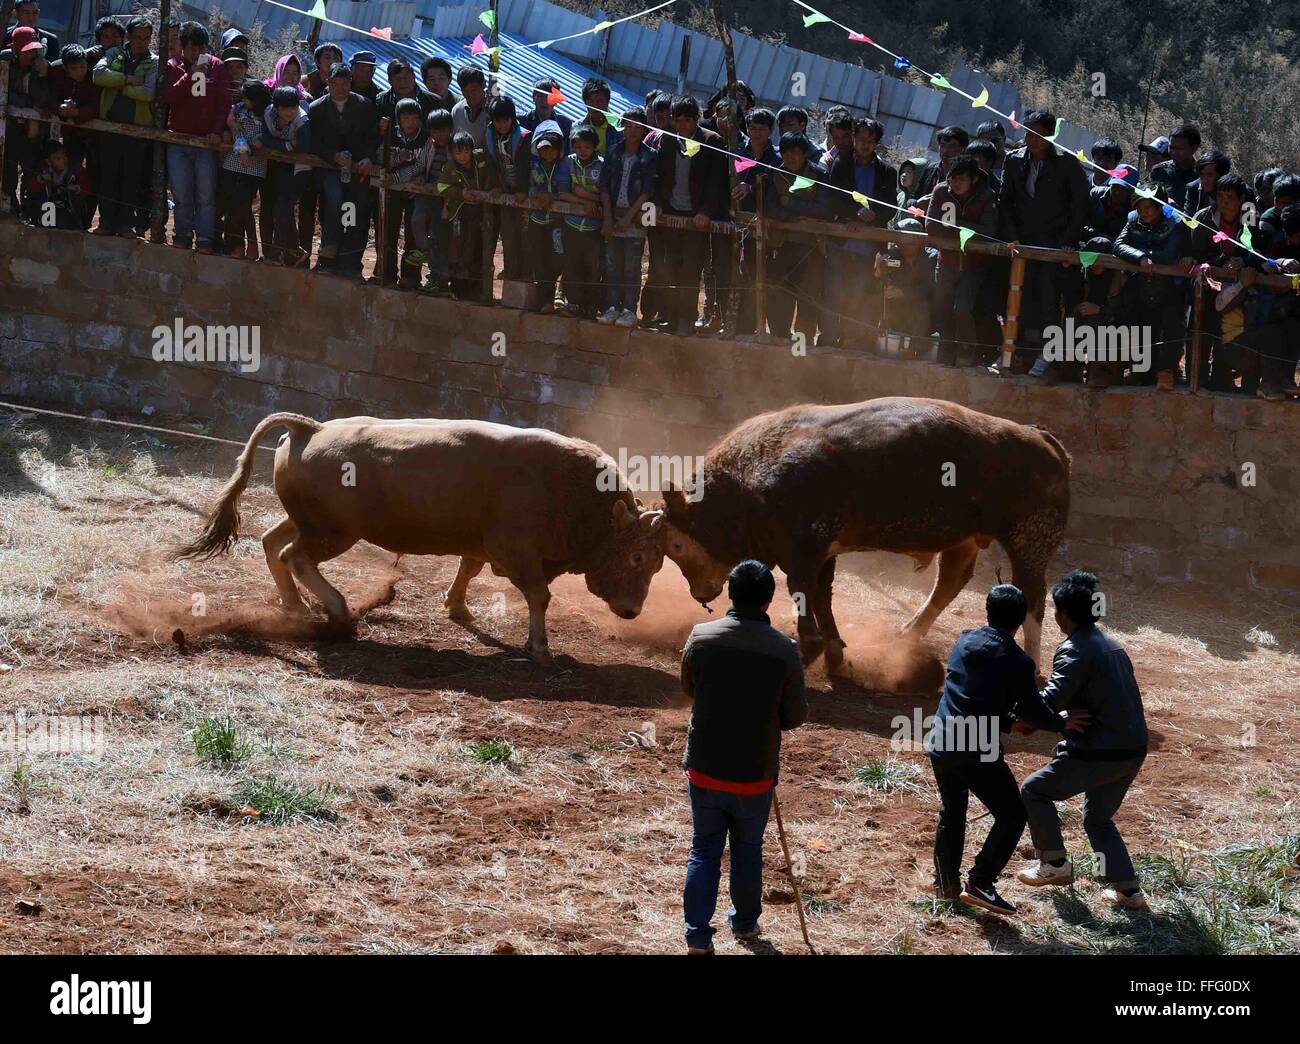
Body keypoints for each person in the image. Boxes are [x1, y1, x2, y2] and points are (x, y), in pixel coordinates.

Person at [680, 560, 807, 954]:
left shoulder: (701, 636)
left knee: (704, 848)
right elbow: (795, 715)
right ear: (769, 598)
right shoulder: (785, 650)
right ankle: (746, 924)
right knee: (748, 850)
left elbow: (691, 689)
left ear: (729, 593)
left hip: (705, 768)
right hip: (755, 774)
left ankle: (698, 936)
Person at [927, 584, 1073, 914]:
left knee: (953, 812)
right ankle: (981, 880)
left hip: (941, 739)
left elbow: (971, 696)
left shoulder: (964, 640)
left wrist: (1008, 723)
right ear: (1022, 619)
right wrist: (1062, 724)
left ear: (987, 612)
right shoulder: (1018, 661)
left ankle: (945, 885)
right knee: (1013, 813)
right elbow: (1035, 712)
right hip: (975, 748)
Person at [1016, 570, 1151, 912]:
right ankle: (1129, 893)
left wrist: (1023, 713)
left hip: (1099, 752)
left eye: (1057, 612)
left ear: (1064, 614)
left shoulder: (1075, 649)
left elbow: (1050, 700)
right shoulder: (1111, 644)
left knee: (1035, 790)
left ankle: (1055, 865)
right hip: (1132, 751)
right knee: (1097, 820)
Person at [997, 109, 1089, 377]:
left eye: (1038, 133)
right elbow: (1006, 202)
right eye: (1028, 132)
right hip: (1022, 244)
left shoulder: (1068, 164)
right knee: (1019, 301)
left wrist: (1067, 242)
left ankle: (1051, 360)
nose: (1032, 139)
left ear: (1051, 135)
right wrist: (1012, 237)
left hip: (1054, 246)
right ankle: (1019, 355)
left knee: (1049, 303)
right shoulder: (1014, 161)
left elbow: (1080, 206)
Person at [655, 95, 728, 335]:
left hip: (697, 218)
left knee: (691, 270)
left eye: (687, 120)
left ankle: (687, 319)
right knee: (670, 268)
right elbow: (659, 177)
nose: (682, 126)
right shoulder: (666, 140)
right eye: (678, 120)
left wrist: (706, 211)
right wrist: (657, 205)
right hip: (671, 213)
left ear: (696, 119)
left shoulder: (712, 141)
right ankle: (671, 317)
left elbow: (718, 182)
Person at [1112, 184, 1196, 390]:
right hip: (1140, 285)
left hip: (1169, 288)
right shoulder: (1132, 219)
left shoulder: (1176, 222)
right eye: (1140, 207)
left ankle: (1167, 372)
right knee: (1138, 327)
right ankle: (1138, 371)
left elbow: (1170, 255)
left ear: (1160, 207)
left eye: (1149, 207)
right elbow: (1119, 245)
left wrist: (1143, 254)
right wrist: (1139, 257)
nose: (1143, 212)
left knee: (1170, 329)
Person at [829, 117, 897, 349]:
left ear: (876, 142)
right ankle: (837, 338)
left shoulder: (887, 171)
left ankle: (862, 341)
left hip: (871, 246)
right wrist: (854, 214)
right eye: (861, 139)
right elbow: (835, 199)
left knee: (866, 294)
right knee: (840, 293)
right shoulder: (841, 164)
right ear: (854, 139)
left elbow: (889, 206)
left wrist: (871, 216)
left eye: (870, 140)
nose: (865, 144)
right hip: (843, 242)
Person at [163, 22, 230, 253]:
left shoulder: (217, 67)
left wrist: (216, 130)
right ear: (182, 47)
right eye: (192, 49)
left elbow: (224, 104)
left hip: (205, 142)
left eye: (200, 49)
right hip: (179, 141)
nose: (197, 54)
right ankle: (181, 234)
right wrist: (190, 76)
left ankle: (204, 239)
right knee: (181, 193)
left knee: (205, 195)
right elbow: (169, 98)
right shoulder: (172, 67)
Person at [308, 61, 379, 278]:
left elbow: (372, 136)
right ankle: (328, 258)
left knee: (354, 217)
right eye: (335, 83)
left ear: (350, 82)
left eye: (345, 82)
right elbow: (314, 142)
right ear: (328, 82)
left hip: (357, 171)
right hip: (330, 169)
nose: (340, 87)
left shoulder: (364, 105)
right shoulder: (317, 108)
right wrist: (333, 156)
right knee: (334, 204)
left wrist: (368, 157)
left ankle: (351, 265)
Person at [926, 155, 998, 366]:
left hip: (973, 266)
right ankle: (946, 348)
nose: (955, 184)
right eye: (952, 178)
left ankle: (967, 350)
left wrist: (954, 225)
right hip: (945, 261)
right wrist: (964, 229)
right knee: (942, 306)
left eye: (962, 179)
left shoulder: (986, 195)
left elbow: (989, 231)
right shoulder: (940, 191)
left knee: (963, 308)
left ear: (973, 179)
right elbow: (931, 226)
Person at [92, 17, 156, 237]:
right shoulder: (113, 54)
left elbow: (149, 92)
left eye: (146, 38)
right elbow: (98, 75)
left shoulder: (154, 61)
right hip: (109, 128)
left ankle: (125, 225)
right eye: (138, 37)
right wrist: (128, 79)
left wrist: (119, 86)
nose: (142, 42)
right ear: (128, 36)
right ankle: (106, 223)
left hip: (137, 131)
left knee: (131, 179)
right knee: (108, 176)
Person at [764, 132, 831, 342]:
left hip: (812, 249)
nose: (790, 157)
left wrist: (788, 203)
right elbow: (769, 206)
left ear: (804, 153)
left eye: (795, 152)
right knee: (779, 296)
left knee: (808, 300)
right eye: (786, 153)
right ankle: (779, 338)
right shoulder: (775, 173)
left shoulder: (819, 174)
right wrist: (794, 217)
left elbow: (823, 209)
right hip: (782, 246)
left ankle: (803, 348)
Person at [599, 105, 657, 326]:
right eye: (628, 126)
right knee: (612, 264)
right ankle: (612, 307)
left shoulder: (650, 156)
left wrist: (629, 217)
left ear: (643, 130)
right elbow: (604, 186)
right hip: (613, 216)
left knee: (632, 266)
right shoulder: (613, 152)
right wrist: (607, 217)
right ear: (623, 127)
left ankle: (630, 310)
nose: (632, 131)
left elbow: (647, 191)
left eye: (637, 127)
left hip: (635, 220)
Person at [377, 97, 429, 288]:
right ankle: (386, 273)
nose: (411, 122)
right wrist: (398, 158)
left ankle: (411, 277)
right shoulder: (390, 134)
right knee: (388, 232)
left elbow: (421, 165)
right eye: (406, 118)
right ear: (399, 119)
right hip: (392, 193)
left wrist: (398, 177)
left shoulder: (426, 138)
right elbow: (380, 158)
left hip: (415, 193)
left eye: (415, 117)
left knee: (413, 234)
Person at [259, 84, 312, 267]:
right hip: (281, 166)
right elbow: (263, 138)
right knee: (282, 207)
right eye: (284, 108)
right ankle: (295, 251)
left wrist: (280, 146)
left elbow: (303, 149)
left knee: (283, 206)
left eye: (293, 108)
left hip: (300, 168)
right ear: (276, 107)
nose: (289, 112)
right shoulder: (268, 113)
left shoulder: (303, 121)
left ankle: (276, 253)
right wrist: (286, 146)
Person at [219, 79, 271, 260]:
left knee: (243, 204)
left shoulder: (268, 113)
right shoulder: (239, 108)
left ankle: (253, 244)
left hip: (254, 164)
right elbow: (231, 121)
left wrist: (251, 147)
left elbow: (267, 136)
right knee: (231, 204)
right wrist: (233, 129)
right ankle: (234, 245)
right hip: (234, 160)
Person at [438, 129, 493, 300]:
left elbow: (492, 173)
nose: (463, 156)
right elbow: (441, 187)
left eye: (466, 151)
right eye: (458, 152)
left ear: (472, 149)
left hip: (480, 215)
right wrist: (461, 194)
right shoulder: (450, 168)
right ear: (451, 153)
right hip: (458, 216)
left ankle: (476, 289)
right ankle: (457, 288)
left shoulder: (481, 159)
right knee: (458, 251)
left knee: (477, 250)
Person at [1, 25, 50, 216]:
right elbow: (3, 94)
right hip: (9, 127)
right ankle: (9, 207)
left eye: (33, 50)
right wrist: (25, 102)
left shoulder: (41, 67)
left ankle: (32, 211)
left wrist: (43, 75)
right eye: (26, 51)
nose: (31, 55)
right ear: (15, 50)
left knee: (32, 170)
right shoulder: (5, 62)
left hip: (32, 131)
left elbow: (43, 100)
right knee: (8, 170)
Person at [521, 120, 568, 312]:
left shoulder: (565, 165)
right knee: (539, 260)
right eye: (543, 148)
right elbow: (527, 185)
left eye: (552, 149)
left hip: (558, 223)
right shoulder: (532, 164)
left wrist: (554, 196)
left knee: (557, 258)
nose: (547, 152)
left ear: (559, 149)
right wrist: (535, 194)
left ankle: (558, 294)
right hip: (536, 222)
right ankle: (544, 302)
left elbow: (566, 187)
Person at [558, 124, 604, 318]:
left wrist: (584, 194)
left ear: (594, 147)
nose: (582, 151)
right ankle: (574, 303)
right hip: (571, 224)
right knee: (572, 265)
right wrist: (583, 200)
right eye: (578, 146)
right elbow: (562, 192)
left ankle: (592, 305)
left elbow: (605, 196)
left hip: (594, 228)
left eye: (586, 146)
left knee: (593, 267)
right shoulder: (568, 162)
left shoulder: (603, 165)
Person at [482, 95, 529, 283]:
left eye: (506, 120)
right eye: (498, 121)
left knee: (525, 235)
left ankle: (526, 273)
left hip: (523, 194)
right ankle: (511, 269)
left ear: (513, 118)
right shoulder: (489, 135)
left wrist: (523, 190)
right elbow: (491, 163)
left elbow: (526, 167)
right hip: (504, 191)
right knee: (507, 232)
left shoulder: (524, 137)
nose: (502, 125)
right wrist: (494, 186)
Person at [410, 108, 454, 295]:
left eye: (443, 130)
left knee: (439, 238)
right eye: (435, 131)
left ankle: (440, 282)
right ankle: (424, 250)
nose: (439, 135)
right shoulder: (430, 144)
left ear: (450, 130)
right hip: (427, 194)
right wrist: (419, 177)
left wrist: (440, 185)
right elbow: (420, 165)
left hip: (445, 200)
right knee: (417, 220)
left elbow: (454, 172)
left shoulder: (455, 147)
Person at [23, 137, 90, 229]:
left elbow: (87, 190)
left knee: (65, 219)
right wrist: (41, 179)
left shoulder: (76, 170)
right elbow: (31, 187)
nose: (63, 160)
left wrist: (76, 188)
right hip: (48, 206)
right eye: (57, 158)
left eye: (64, 156)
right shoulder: (43, 169)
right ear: (48, 161)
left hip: (70, 207)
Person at [915, 125, 970, 202]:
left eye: (951, 146)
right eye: (942, 145)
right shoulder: (930, 169)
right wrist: (918, 202)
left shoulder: (967, 175)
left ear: (962, 149)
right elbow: (914, 198)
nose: (945, 151)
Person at [375, 57, 438, 123]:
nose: (403, 82)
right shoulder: (381, 100)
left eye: (406, 77)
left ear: (414, 77)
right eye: (398, 79)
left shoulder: (433, 100)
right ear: (390, 81)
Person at [1149, 125, 1201, 204]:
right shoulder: (1159, 171)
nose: (1174, 152)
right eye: (1171, 147)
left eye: (1180, 149)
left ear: (1194, 148)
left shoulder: (1203, 174)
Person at [520, 77, 573, 151]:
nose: (545, 101)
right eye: (541, 96)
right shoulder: (521, 121)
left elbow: (566, 155)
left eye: (549, 97)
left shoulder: (565, 124)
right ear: (533, 98)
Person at [578, 76, 621, 157]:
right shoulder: (578, 127)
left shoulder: (619, 127)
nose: (595, 106)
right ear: (585, 103)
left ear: (607, 102)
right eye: (591, 101)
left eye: (599, 101)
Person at [1185, 148, 1230, 218]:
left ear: (1222, 175)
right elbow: (1187, 220)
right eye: (1202, 174)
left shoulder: (1239, 191)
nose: (1204, 180)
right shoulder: (1194, 189)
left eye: (1210, 175)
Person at [451, 66, 489, 147]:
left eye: (474, 89)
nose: (470, 95)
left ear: (483, 85)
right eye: (465, 90)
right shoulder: (457, 111)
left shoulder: (492, 109)